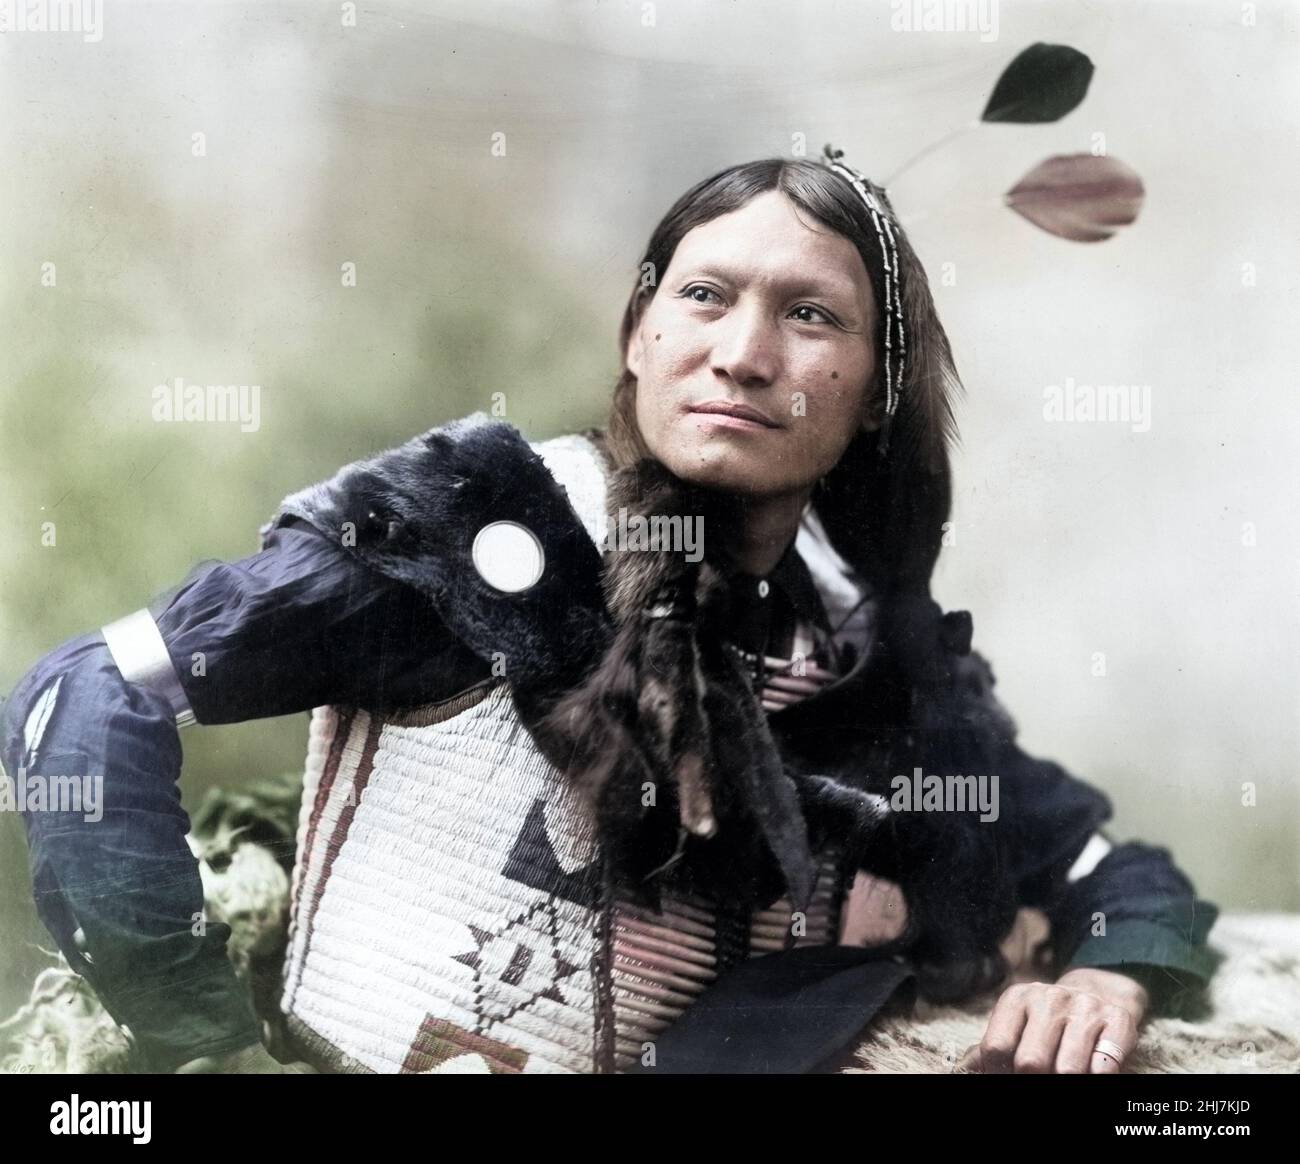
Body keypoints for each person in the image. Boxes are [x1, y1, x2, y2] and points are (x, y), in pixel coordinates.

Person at [0, 150, 1219, 1075]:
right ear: (638, 336)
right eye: (704, 296)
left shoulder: (866, 655)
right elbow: (81, 693)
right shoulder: (475, 527)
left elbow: (1114, 870)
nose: (743, 353)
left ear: (875, 395)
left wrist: (1113, 975)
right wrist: (202, 1048)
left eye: (810, 316)